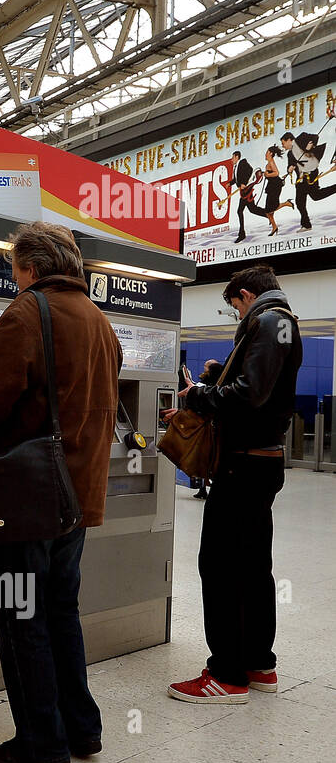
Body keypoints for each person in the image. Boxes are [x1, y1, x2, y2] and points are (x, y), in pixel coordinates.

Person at [0, 222, 123, 763]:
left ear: (30, 268)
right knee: (60, 611)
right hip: (74, 499)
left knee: (19, 616)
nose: (13, 280)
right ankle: (81, 730)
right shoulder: (100, 320)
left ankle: (41, 745)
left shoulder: (30, 310)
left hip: (28, 499)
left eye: (14, 270)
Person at [162, 265, 301, 703]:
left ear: (245, 295)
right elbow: (266, 389)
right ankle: (259, 664)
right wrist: (225, 368)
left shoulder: (267, 321)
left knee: (220, 566)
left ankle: (227, 673)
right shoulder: (285, 324)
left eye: (233, 307)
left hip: (242, 466)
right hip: (261, 462)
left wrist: (201, 394)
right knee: (253, 566)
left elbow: (249, 395)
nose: (235, 315)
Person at [280, 102, 336, 231]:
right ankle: (306, 225)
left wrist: (310, 146)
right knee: (300, 202)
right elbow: (290, 165)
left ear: (289, 140)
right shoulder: (289, 155)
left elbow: (315, 137)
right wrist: (289, 169)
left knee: (315, 196)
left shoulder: (301, 137)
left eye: (283, 143)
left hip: (311, 171)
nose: (283, 146)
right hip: (301, 178)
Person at [237, 146, 293, 240]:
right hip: (271, 187)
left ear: (270, 153)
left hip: (274, 187)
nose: (265, 154)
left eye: (267, 152)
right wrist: (264, 174)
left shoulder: (271, 162)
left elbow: (276, 173)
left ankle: (287, 203)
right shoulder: (268, 163)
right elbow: (271, 174)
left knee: (270, 209)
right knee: (269, 209)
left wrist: (267, 174)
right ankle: (274, 227)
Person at [191, 360, 223, 500]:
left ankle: (203, 488)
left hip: (206, 428)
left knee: (204, 459)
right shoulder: (221, 384)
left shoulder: (205, 385)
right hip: (215, 430)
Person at [227, 150, 263, 244]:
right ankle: (268, 214)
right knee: (252, 209)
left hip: (247, 191)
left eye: (232, 158)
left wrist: (243, 183)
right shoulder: (237, 167)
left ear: (236, 157)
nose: (231, 160)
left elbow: (250, 171)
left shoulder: (243, 163)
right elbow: (236, 179)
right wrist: (230, 183)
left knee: (243, 210)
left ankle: (242, 234)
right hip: (244, 192)